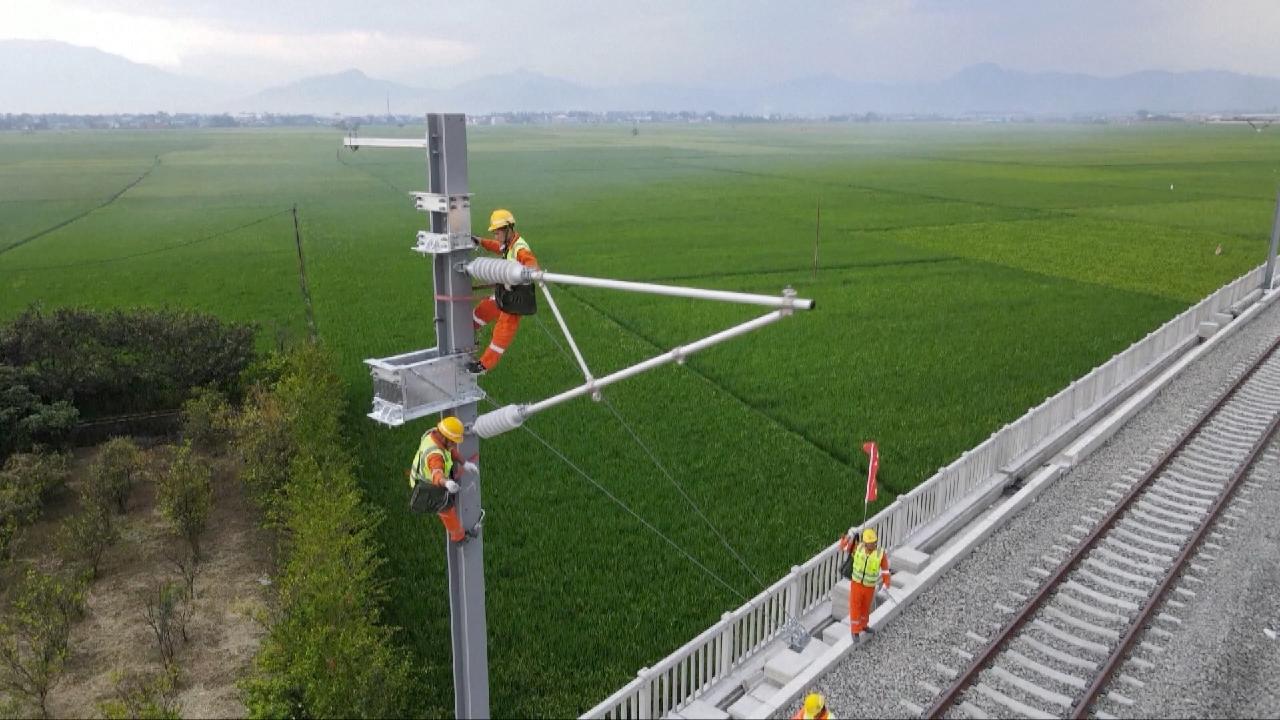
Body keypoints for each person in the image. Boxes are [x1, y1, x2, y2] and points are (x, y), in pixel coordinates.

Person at [468, 208, 539, 374]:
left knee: (502, 334)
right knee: (481, 312)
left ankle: (483, 365)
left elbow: (533, 267)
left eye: (497, 232)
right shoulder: (508, 244)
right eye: (494, 233)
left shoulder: (520, 248)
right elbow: (497, 247)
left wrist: (519, 276)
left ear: (508, 229)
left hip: (516, 299)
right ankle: (469, 338)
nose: (496, 236)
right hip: (505, 293)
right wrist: (480, 241)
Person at [409, 416, 478, 543]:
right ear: (444, 437)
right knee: (445, 508)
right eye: (452, 441)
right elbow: (436, 474)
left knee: (447, 500)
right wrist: (447, 483)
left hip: (424, 474)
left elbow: (450, 450)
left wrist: (464, 463)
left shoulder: (436, 434)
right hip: (427, 484)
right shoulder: (435, 455)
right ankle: (458, 537)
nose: (454, 444)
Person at [839, 527, 891, 638]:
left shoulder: (880, 554)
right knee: (855, 606)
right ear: (865, 542)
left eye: (874, 542)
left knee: (865, 607)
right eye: (870, 543)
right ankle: (855, 630)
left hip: (869, 587)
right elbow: (843, 546)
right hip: (857, 584)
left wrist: (886, 585)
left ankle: (863, 625)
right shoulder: (858, 548)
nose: (872, 545)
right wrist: (849, 536)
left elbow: (886, 571)